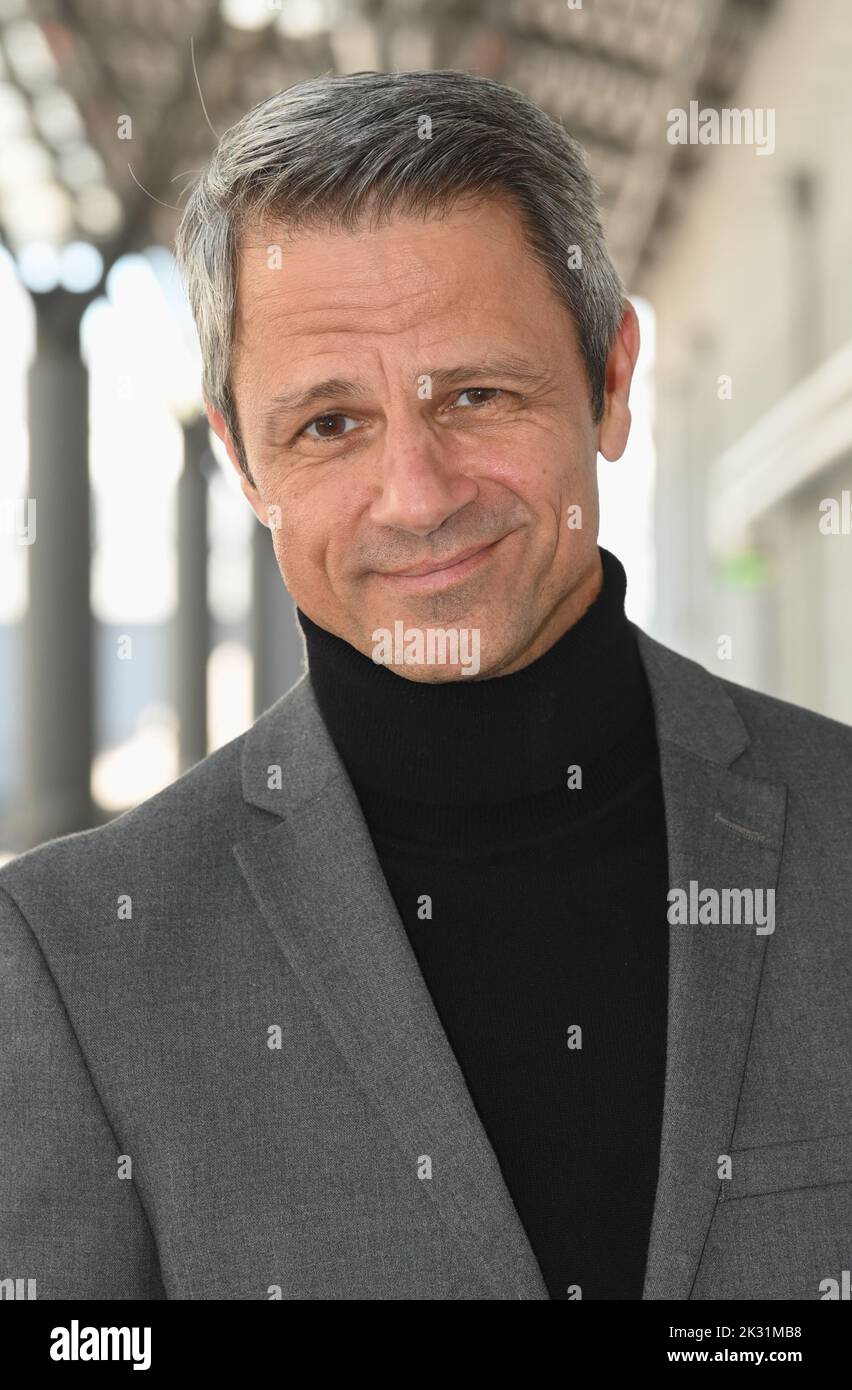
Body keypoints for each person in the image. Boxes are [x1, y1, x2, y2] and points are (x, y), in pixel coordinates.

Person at [1, 70, 850, 1302]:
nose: (419, 493)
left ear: (611, 383)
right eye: (330, 425)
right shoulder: (75, 962)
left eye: (475, 395)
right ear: (242, 459)